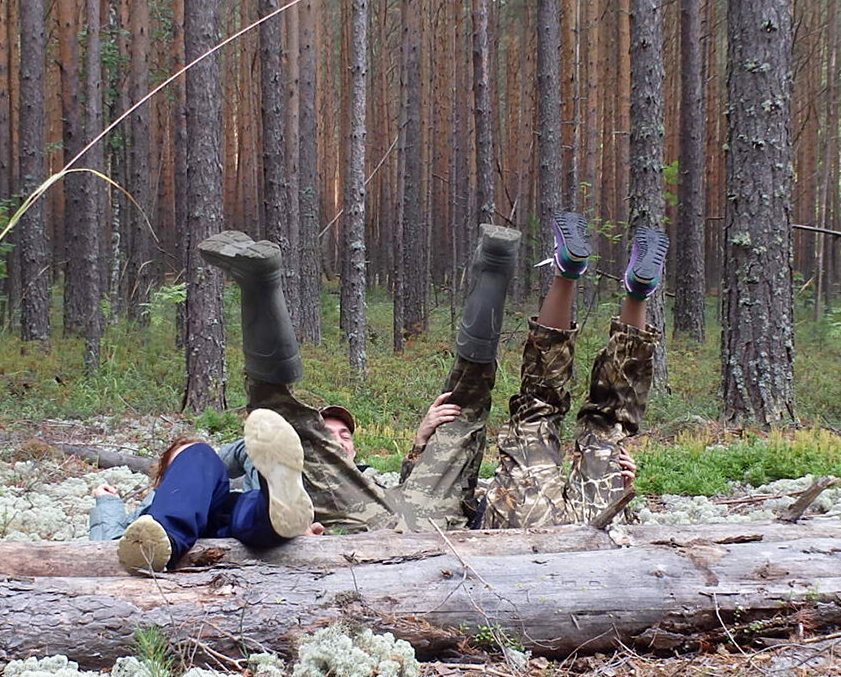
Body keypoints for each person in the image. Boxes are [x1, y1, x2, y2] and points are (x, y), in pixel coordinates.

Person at [199, 223, 522, 533]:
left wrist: (421, 442)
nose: (339, 437)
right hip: (370, 519)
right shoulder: (311, 479)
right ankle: (260, 282)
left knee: (458, 414)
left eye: (346, 434)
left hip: (419, 511)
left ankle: (496, 262)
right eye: (330, 432)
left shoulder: (371, 477)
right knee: (282, 419)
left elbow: (407, 492)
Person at [480, 212, 666, 528]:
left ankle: (602, 283)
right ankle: (621, 288)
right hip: (587, 533)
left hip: (527, 526)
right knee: (551, 410)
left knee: (604, 420)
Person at [93, 408, 322, 574]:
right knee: (202, 456)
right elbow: (106, 549)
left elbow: (241, 455)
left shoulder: (221, 490)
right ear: (164, 479)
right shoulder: (143, 518)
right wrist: (107, 503)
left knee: (248, 506)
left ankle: (276, 516)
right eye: (182, 464)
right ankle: (164, 540)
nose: (193, 471)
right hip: (174, 530)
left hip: (236, 523)